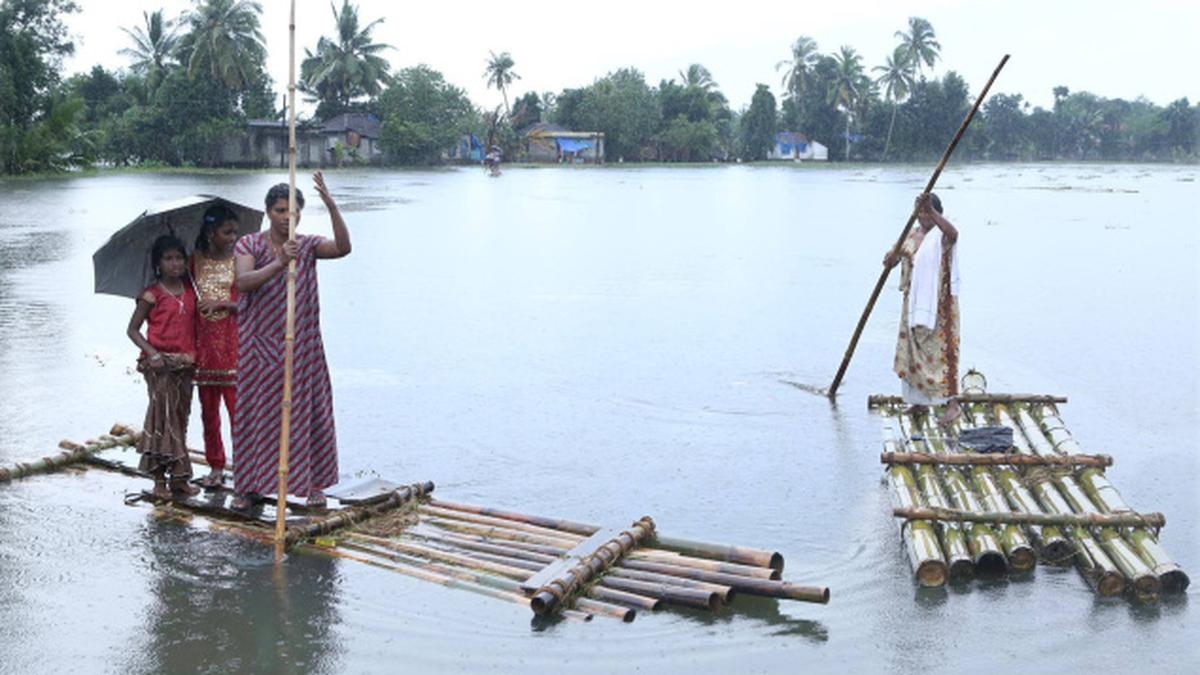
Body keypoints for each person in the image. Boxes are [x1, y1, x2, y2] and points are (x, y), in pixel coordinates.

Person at [231, 173, 350, 510]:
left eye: (294, 212)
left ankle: (312, 484)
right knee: (255, 415)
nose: (287, 218)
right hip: (259, 347)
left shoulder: (307, 245)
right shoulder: (249, 245)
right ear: (269, 212)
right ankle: (249, 485)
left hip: (302, 348)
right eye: (281, 211)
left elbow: (343, 248)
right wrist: (280, 262)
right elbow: (243, 282)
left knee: (307, 413)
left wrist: (332, 206)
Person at [126, 235, 199, 500]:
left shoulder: (191, 290)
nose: (175, 263)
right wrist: (152, 353)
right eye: (168, 259)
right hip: (159, 366)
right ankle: (159, 480)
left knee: (180, 418)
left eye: (179, 258)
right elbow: (132, 330)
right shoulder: (151, 295)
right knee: (162, 419)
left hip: (186, 364)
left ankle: (178, 479)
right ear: (158, 263)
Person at [883, 193, 961, 424]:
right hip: (912, 303)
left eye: (926, 212)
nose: (922, 217)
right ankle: (919, 402)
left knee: (943, 353)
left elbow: (954, 234)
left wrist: (933, 212)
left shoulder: (941, 235)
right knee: (913, 352)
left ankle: (953, 404)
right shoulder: (910, 235)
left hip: (940, 304)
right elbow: (892, 259)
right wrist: (891, 259)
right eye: (919, 212)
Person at [191, 205, 240, 488]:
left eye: (235, 232)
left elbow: (250, 303)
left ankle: (246, 469)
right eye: (227, 232)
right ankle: (216, 466)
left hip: (234, 348)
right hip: (204, 349)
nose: (233, 238)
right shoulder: (193, 262)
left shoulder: (240, 262)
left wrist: (221, 303)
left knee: (239, 415)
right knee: (208, 414)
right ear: (210, 233)